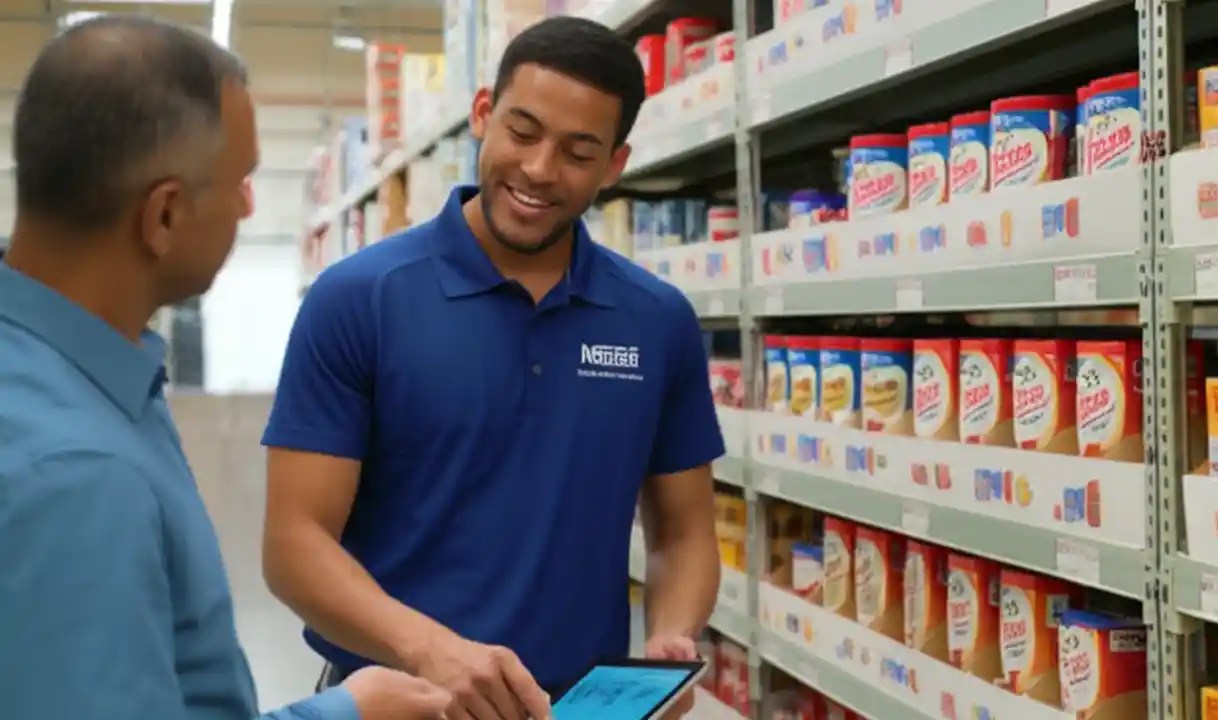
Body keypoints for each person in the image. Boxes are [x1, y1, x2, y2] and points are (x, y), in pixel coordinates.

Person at [261, 14, 724, 720]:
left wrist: (672, 633)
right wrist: (432, 651)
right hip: (398, 703)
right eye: (523, 132)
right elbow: (295, 545)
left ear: (615, 164)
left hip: (579, 709)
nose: (538, 170)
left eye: (577, 151)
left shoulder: (656, 320)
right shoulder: (361, 298)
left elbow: (684, 531)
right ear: (483, 114)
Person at [0, 15, 450, 720]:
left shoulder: (61, 377)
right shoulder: (79, 475)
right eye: (241, 180)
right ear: (166, 215)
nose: (248, 204)